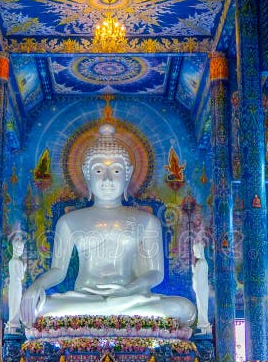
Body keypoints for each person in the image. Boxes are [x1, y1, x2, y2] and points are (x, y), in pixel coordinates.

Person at [19, 123, 196, 331]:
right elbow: (58, 271)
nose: (108, 179)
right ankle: (106, 309)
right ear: (87, 175)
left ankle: (108, 308)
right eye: (99, 170)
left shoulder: (147, 221)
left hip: (131, 298)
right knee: (37, 309)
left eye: (116, 170)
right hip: (84, 299)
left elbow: (155, 273)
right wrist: (36, 286)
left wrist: (128, 290)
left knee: (185, 309)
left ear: (127, 175)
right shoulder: (69, 221)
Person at [6, 235, 25, 333]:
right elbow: (21, 277)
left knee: (12, 304)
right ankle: (15, 322)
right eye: (21, 249)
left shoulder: (11, 261)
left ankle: (12, 321)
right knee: (16, 304)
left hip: (11, 286)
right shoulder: (19, 262)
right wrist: (24, 268)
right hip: (17, 286)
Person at [192, 241, 210, 332]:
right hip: (203, 288)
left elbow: (197, 277)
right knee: (202, 305)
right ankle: (203, 323)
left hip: (200, 288)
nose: (194, 254)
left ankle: (203, 323)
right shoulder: (204, 262)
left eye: (195, 251)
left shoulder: (200, 263)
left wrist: (194, 272)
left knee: (202, 305)